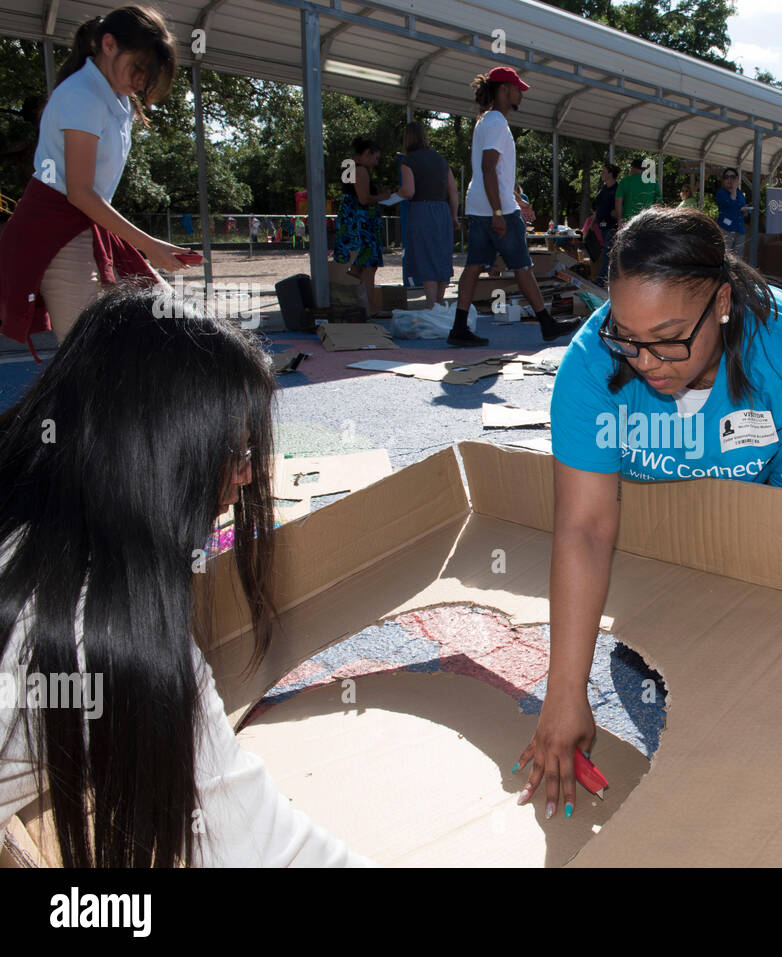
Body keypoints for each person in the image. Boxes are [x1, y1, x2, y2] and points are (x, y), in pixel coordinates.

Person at [0, 282, 371, 867]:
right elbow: (266, 851)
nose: (247, 478)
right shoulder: (100, 629)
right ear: (163, 455)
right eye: (238, 452)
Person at [512, 206, 782, 819]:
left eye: (669, 338)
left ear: (721, 302)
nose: (644, 361)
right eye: (627, 335)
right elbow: (587, 529)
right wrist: (564, 696)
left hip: (765, 521)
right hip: (653, 537)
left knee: (778, 697)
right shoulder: (593, 362)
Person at [0, 7, 195, 351]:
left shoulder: (116, 98)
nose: (141, 80)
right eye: (138, 67)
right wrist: (151, 246)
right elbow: (80, 193)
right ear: (108, 45)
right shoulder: (83, 95)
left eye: (147, 73)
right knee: (88, 353)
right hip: (57, 227)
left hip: (86, 222)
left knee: (166, 316)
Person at [451, 68, 579, 347]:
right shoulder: (497, 122)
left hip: (479, 204)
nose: (521, 93)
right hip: (496, 210)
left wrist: (514, 199)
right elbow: (488, 168)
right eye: (517, 88)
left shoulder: (485, 121)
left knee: (473, 266)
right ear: (504, 90)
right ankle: (547, 324)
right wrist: (500, 212)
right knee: (522, 267)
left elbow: (494, 173)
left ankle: (458, 327)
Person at [395, 122, 457, 306]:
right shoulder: (440, 159)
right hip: (442, 210)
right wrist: (454, 215)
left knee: (426, 256)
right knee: (441, 256)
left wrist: (392, 195)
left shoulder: (409, 161)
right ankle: (440, 303)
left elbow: (409, 191)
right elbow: (453, 191)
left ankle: (431, 305)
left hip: (421, 211)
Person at [333, 137, 391, 316]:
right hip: (362, 225)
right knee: (368, 267)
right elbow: (364, 198)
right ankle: (369, 308)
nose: (376, 162)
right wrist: (383, 197)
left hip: (352, 223)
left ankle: (359, 305)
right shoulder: (361, 171)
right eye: (375, 158)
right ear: (367, 153)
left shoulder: (348, 167)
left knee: (358, 267)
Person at [591, 162, 619, 287]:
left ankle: (601, 280)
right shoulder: (603, 189)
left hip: (611, 226)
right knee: (602, 253)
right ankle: (603, 278)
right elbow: (596, 206)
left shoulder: (617, 189)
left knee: (608, 254)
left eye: (604, 172)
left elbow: (618, 207)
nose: (602, 174)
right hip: (600, 226)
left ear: (611, 174)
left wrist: (617, 213)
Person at [614, 157, 662, 228]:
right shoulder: (653, 181)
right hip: (648, 220)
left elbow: (618, 202)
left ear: (633, 168)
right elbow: (658, 203)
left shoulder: (624, 181)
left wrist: (619, 220)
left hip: (629, 222)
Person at [714, 167, 749, 258]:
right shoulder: (720, 193)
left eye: (732, 177)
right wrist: (733, 190)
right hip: (726, 229)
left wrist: (745, 212)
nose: (729, 179)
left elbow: (745, 214)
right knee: (725, 257)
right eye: (726, 177)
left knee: (738, 259)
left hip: (739, 230)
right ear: (723, 180)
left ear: (737, 179)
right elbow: (730, 203)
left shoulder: (740, 194)